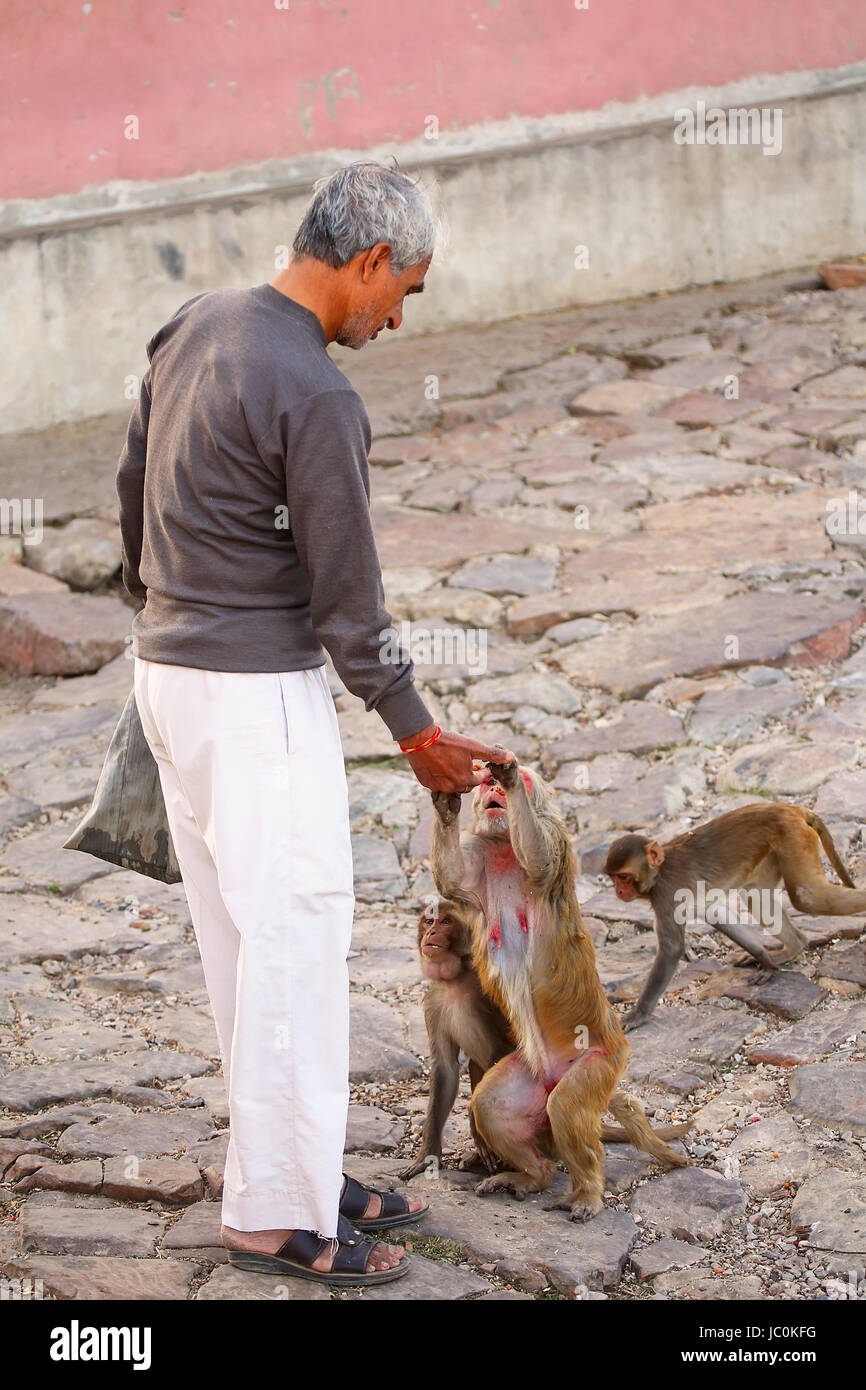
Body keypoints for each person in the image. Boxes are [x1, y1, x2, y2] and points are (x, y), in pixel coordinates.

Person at [117, 161, 514, 1287]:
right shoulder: (318, 393)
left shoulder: (195, 325)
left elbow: (129, 480)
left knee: (243, 946)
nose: (400, 316)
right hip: (251, 698)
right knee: (289, 946)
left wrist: (162, 613)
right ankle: (272, 1218)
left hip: (172, 680)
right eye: (409, 291)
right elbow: (349, 604)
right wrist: (416, 728)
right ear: (370, 261)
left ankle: (288, 1166)